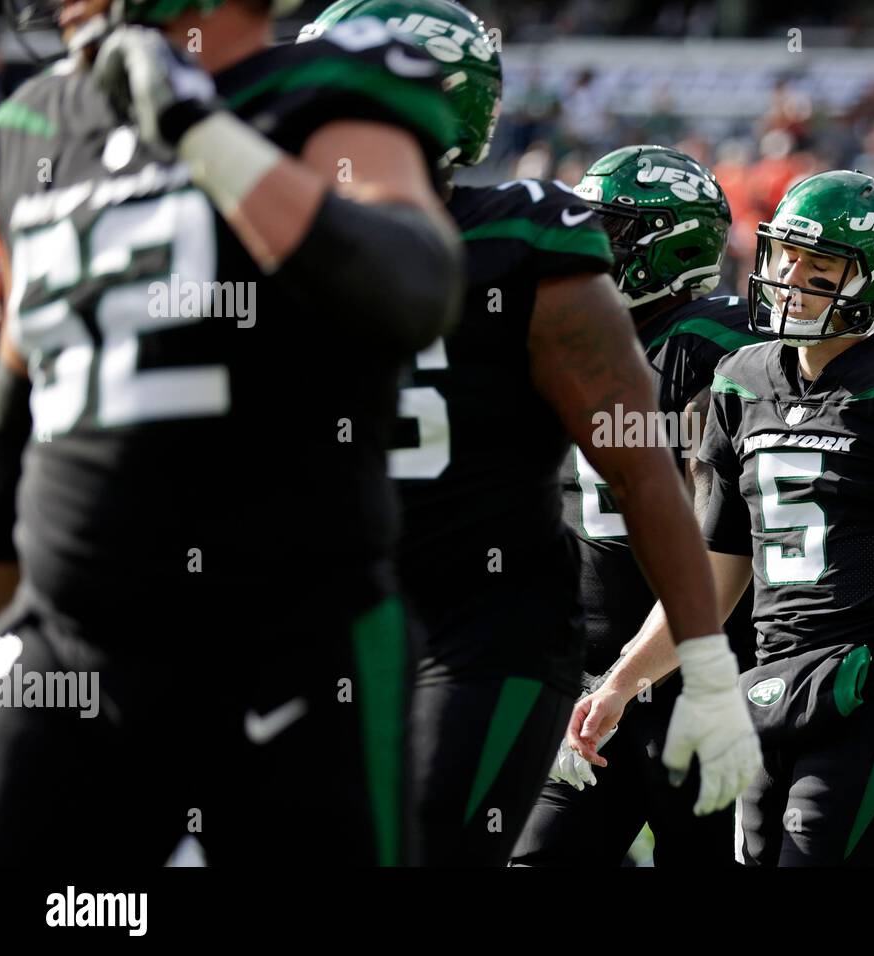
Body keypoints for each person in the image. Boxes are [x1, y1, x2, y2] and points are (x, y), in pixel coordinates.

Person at [0, 0, 464, 864]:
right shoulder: (33, 123)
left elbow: (410, 284)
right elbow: (14, 405)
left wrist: (199, 133)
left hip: (288, 648)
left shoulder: (322, 90)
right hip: (68, 646)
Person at [299, 1, 759, 866]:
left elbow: (662, 490)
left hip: (521, 635)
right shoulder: (271, 240)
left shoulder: (654, 315)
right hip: (410, 628)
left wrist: (697, 664)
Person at [567, 170, 874, 866]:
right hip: (771, 694)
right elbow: (710, 585)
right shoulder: (743, 378)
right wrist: (620, 683)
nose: (792, 277)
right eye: (786, 256)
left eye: (821, 265)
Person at [511, 144, 764, 867]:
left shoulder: (706, 342)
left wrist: (625, 674)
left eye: (612, 229)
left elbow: (714, 543)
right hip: (599, 692)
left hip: (696, 681)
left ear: (669, 244)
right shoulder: (579, 338)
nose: (588, 244)